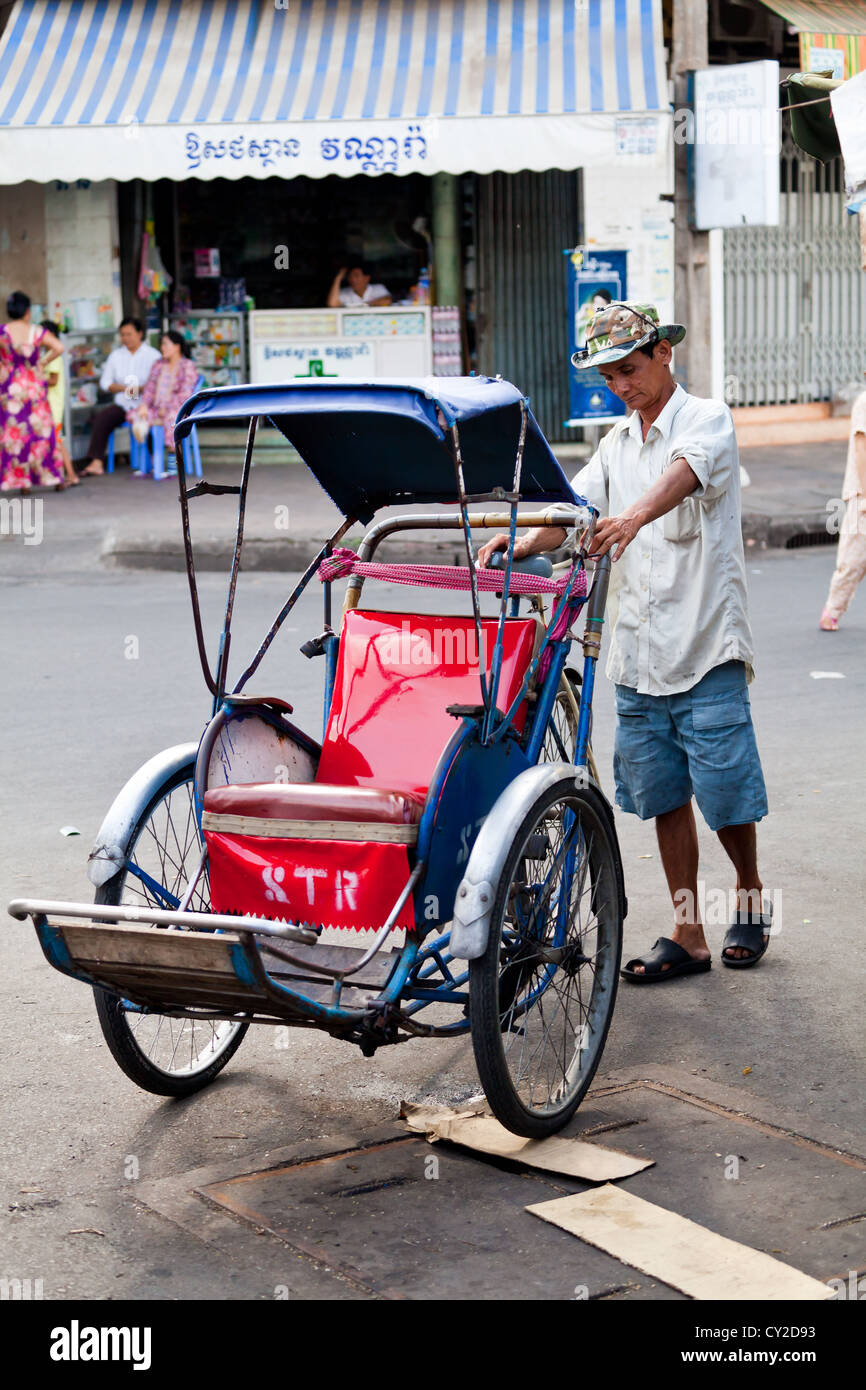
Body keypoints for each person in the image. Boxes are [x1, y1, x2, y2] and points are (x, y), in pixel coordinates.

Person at [478, 301, 771, 980]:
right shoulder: (613, 445)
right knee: (664, 797)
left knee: (725, 796)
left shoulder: (706, 420)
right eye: (609, 377)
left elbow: (687, 473)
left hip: (706, 645)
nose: (621, 386)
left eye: (629, 370)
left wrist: (634, 515)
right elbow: (574, 514)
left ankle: (751, 899)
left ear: (663, 355)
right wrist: (523, 539)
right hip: (636, 652)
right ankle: (688, 931)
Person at [79, 317, 160, 476]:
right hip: (123, 404)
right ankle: (96, 462)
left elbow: (157, 384)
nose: (125, 338)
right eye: (122, 335)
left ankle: (152, 461)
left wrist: (140, 389)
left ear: (139, 334)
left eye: (129, 334)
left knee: (148, 422)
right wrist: (124, 388)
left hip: (145, 405)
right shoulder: (116, 355)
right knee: (101, 419)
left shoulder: (153, 356)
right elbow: (105, 382)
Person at [0, 290, 65, 491]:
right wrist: (41, 362)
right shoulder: (37, 332)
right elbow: (59, 347)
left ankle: (22, 482)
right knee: (41, 431)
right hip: (34, 386)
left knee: (15, 433)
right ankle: (53, 477)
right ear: (28, 311)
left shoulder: (3, 331)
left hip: (11, 387)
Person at [819, 381, 866, 630]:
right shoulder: (864, 402)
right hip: (862, 493)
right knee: (853, 559)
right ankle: (832, 611)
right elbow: (861, 450)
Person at [129, 329, 198, 461]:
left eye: (166, 344)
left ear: (177, 346)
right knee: (136, 415)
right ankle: (151, 462)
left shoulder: (187, 366)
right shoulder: (158, 365)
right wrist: (144, 405)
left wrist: (166, 407)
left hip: (177, 410)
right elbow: (149, 388)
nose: (162, 348)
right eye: (162, 344)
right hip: (157, 409)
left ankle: (174, 463)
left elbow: (186, 394)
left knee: (172, 419)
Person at [40, 319, 79, 487]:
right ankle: (64, 476)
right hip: (48, 407)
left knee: (57, 442)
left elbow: (53, 380)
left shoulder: (52, 357)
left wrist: (35, 378)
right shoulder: (46, 355)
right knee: (54, 442)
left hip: (54, 408)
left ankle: (71, 475)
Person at [327, 263, 392, 308]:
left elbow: (388, 300)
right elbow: (332, 304)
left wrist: (365, 305)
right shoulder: (345, 292)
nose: (353, 280)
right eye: (350, 276)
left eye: (356, 276)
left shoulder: (378, 288)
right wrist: (338, 278)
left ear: (366, 278)